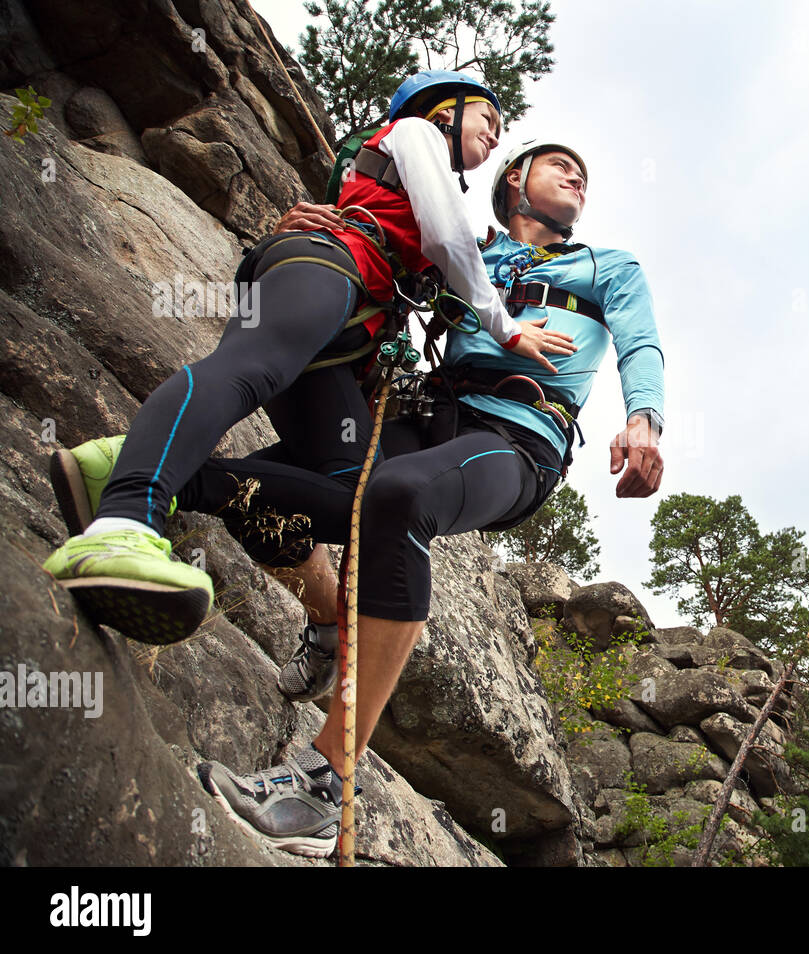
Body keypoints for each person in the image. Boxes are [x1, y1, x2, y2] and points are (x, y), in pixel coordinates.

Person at [195, 137, 666, 857]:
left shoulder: (607, 267)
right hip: (425, 416)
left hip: (518, 437)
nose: (577, 175)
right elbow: (385, 247)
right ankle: (325, 619)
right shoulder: (468, 251)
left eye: (585, 175)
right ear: (514, 180)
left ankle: (325, 783)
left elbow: (639, 342)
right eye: (559, 163)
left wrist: (643, 418)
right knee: (249, 485)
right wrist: (317, 224)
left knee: (398, 497)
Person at [41, 71, 573, 646]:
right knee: (252, 368)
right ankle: (124, 519)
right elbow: (448, 239)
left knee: (359, 494)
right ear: (445, 109)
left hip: (346, 335)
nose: (494, 136)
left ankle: (126, 464)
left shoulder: (414, 171)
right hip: (328, 265)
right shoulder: (417, 132)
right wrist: (508, 330)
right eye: (487, 120)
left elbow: (445, 265)